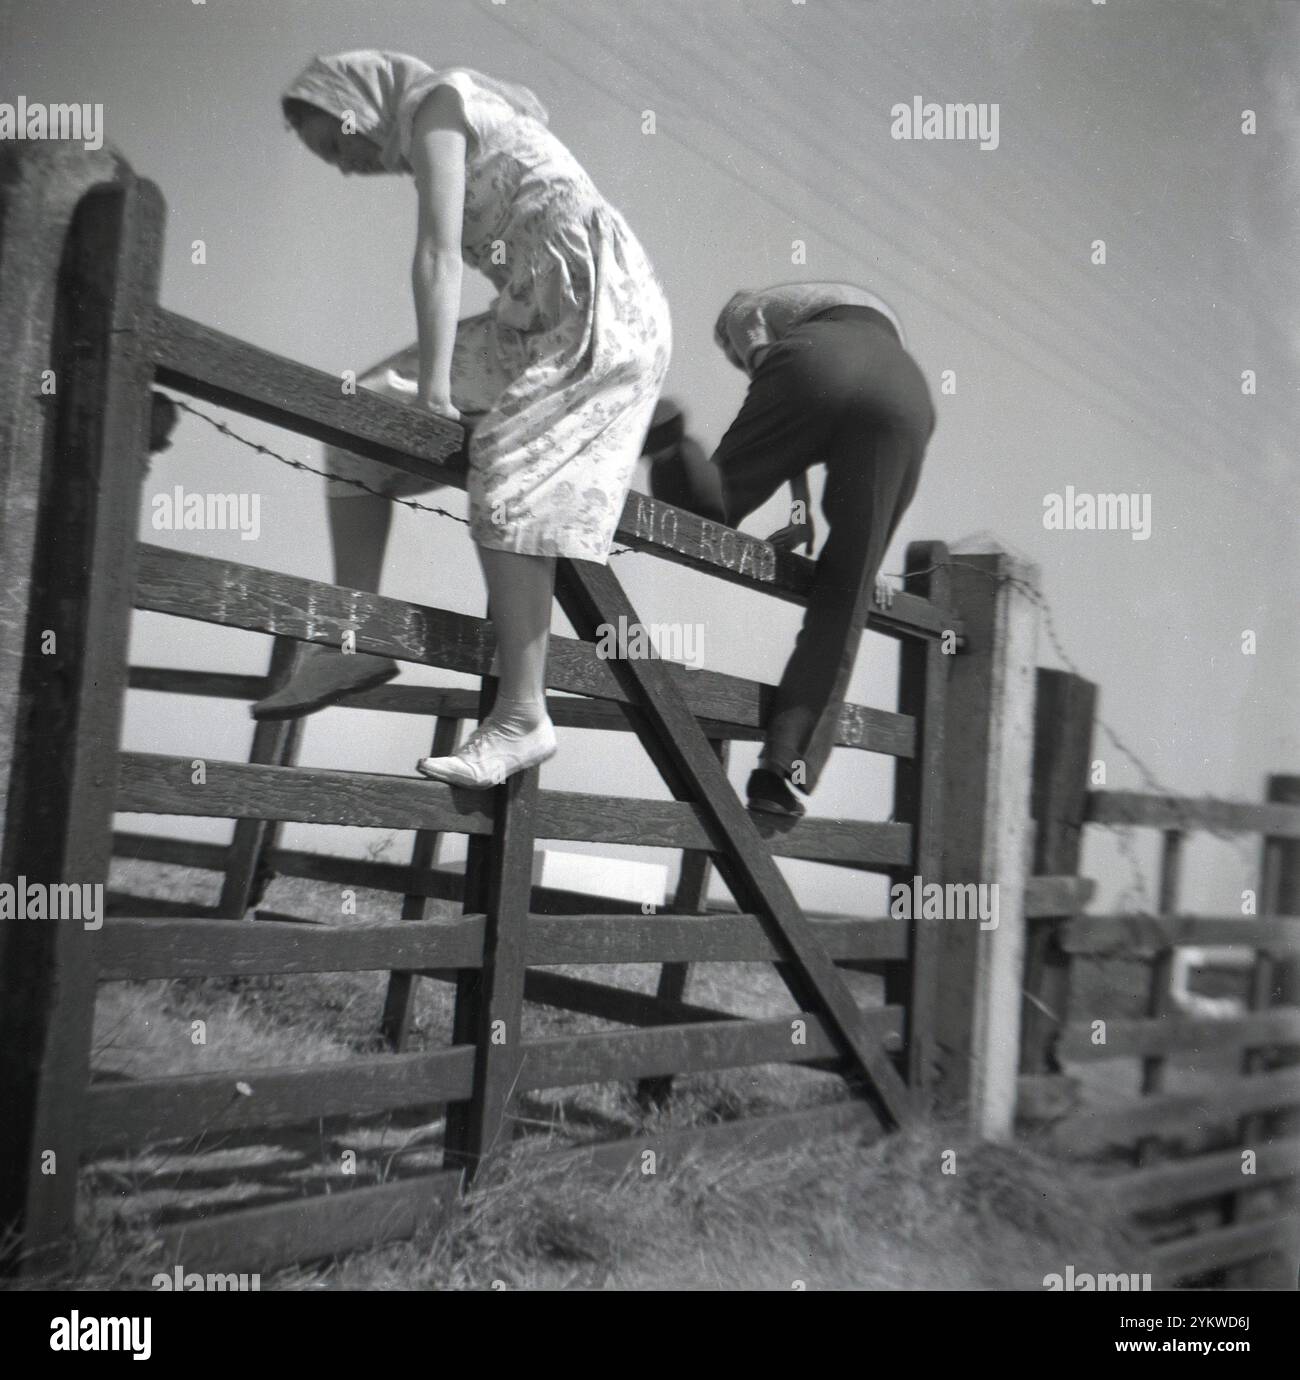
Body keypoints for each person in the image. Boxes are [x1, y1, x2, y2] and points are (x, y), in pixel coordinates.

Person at [257, 50, 671, 790]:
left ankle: (522, 716)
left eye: (337, 141)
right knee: (357, 420)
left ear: (359, 98)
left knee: (510, 471)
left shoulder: (436, 106)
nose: (347, 166)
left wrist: (439, 389)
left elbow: (438, 254)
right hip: (527, 315)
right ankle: (360, 632)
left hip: (597, 302)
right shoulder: (434, 121)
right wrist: (419, 393)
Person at [648, 283, 934, 817]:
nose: (740, 369)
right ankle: (782, 771)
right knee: (846, 592)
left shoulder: (745, 308)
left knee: (710, 511)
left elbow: (756, 335)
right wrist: (801, 519)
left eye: (733, 363)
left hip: (812, 365)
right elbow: (834, 415)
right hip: (904, 392)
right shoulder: (835, 306)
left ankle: (669, 449)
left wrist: (758, 356)